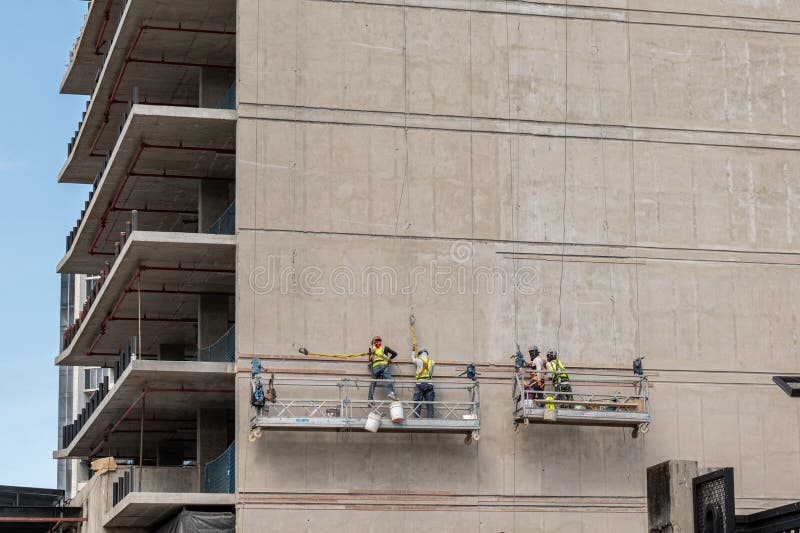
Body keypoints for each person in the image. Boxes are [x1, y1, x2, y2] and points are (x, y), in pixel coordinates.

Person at [367, 335, 398, 404]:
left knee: (373, 383)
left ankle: (370, 399)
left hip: (375, 368)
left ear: (373, 342)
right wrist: (390, 359)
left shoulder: (372, 349)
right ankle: (391, 392)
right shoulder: (385, 348)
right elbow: (395, 353)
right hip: (384, 366)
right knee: (388, 379)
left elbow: (370, 361)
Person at [411, 346, 435, 418]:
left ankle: (416, 420)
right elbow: (431, 373)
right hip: (429, 384)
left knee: (417, 403)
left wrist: (413, 351)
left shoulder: (418, 360)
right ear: (426, 353)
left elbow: (412, 359)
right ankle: (430, 420)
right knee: (429, 404)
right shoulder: (432, 362)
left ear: (420, 354)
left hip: (419, 383)